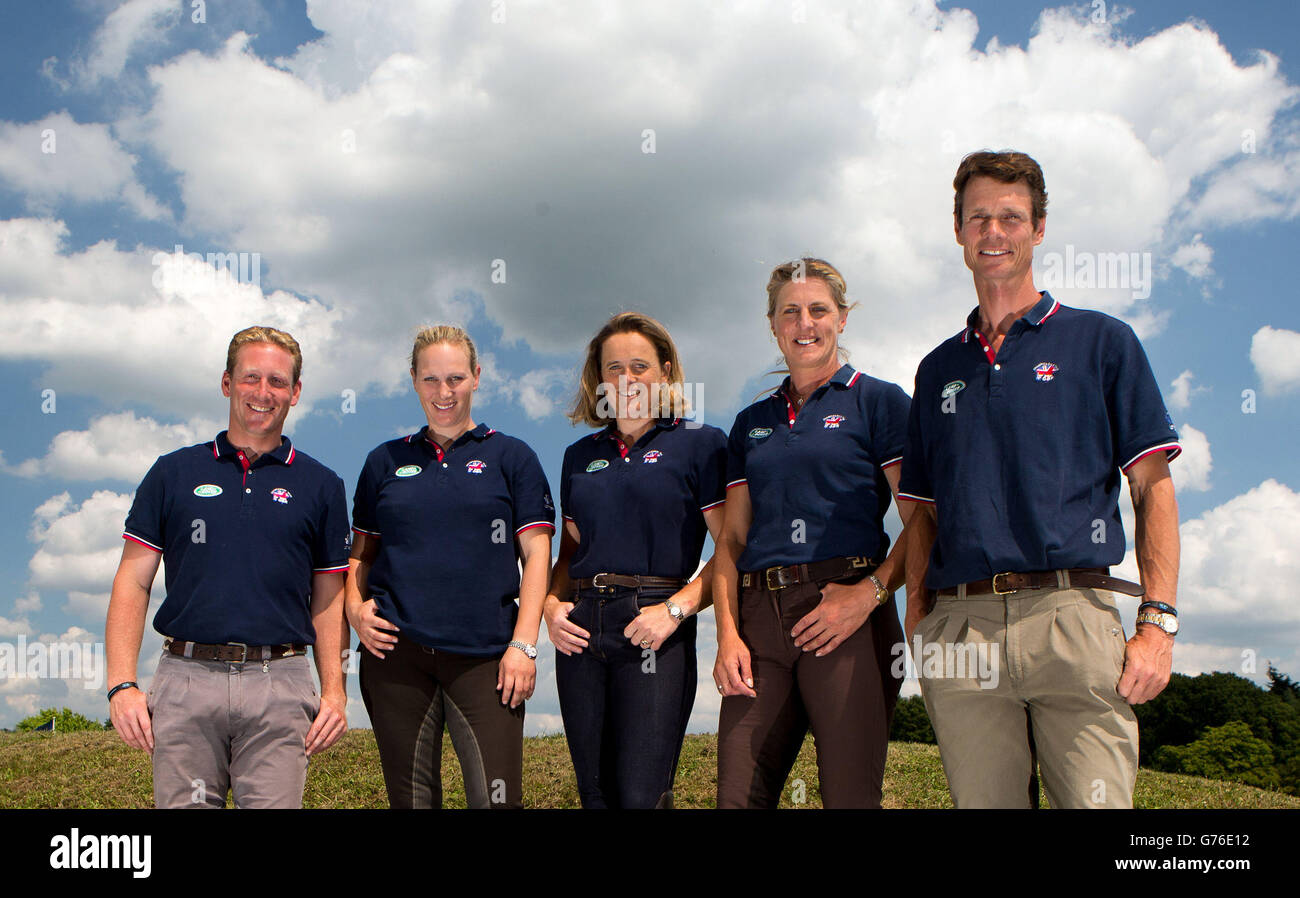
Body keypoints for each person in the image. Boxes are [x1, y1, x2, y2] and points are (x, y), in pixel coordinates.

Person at [899, 150, 1181, 809]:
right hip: (960, 628)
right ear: (959, 230)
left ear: (1040, 228)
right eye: (978, 218)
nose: (993, 232)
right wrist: (920, 626)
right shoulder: (937, 369)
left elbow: (1152, 488)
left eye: (1010, 217)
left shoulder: (1102, 343)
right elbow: (923, 513)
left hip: (1072, 617)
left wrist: (1158, 621)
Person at [106, 325, 350, 808]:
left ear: (296, 392)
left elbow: (329, 597)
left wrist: (335, 693)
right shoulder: (173, 472)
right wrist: (122, 683)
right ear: (226, 383)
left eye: (278, 382)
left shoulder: (322, 484)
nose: (264, 393)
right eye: (251, 378)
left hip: (280, 683)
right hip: (186, 680)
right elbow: (133, 580)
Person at [713, 258, 914, 808]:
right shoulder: (751, 422)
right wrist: (727, 634)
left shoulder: (879, 401)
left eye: (819, 310)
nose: (805, 323)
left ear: (842, 319)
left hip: (843, 612)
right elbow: (730, 541)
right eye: (790, 312)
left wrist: (870, 594)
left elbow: (923, 521)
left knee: (849, 797)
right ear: (773, 325)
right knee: (736, 799)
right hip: (758, 623)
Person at [347, 325, 554, 809]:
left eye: (456, 378)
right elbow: (359, 556)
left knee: (496, 799)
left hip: (487, 656)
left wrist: (524, 645)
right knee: (412, 800)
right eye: (431, 380)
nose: (444, 393)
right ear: (414, 381)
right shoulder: (384, 461)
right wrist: (356, 612)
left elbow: (537, 555)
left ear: (477, 377)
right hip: (396, 655)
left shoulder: (512, 456)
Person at [544, 312, 727, 808]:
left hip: (653, 621)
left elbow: (731, 549)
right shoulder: (579, 456)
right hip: (581, 629)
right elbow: (571, 552)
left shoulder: (700, 443)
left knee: (642, 794)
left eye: (640, 366)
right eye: (614, 367)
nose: (626, 379)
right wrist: (551, 604)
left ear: (665, 371)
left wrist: (675, 610)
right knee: (594, 794)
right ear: (598, 377)